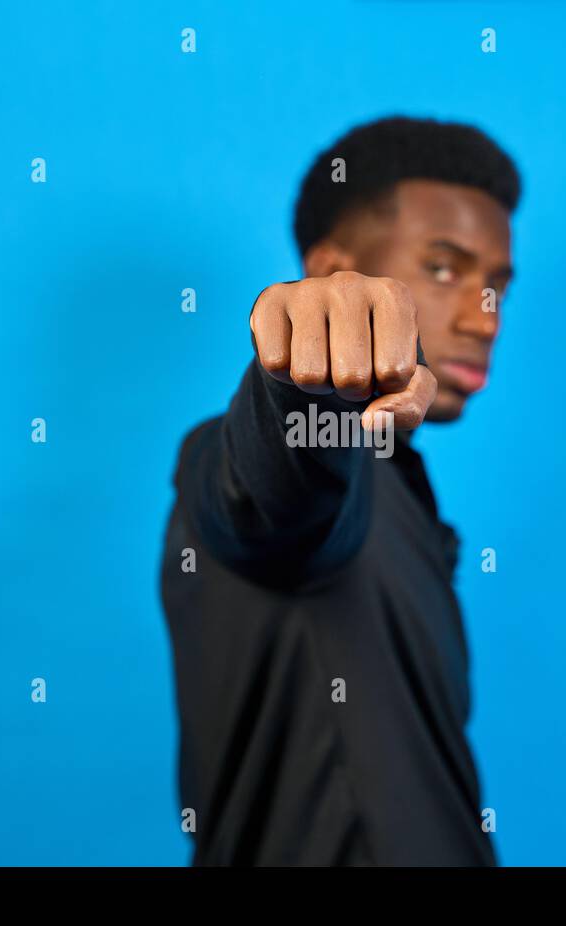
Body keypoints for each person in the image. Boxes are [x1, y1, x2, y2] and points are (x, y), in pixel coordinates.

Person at [160, 116, 520, 865]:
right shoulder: (257, 463)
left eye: (495, 285)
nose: (481, 317)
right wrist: (302, 379)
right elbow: (273, 485)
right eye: (445, 270)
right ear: (332, 272)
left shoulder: (403, 488)